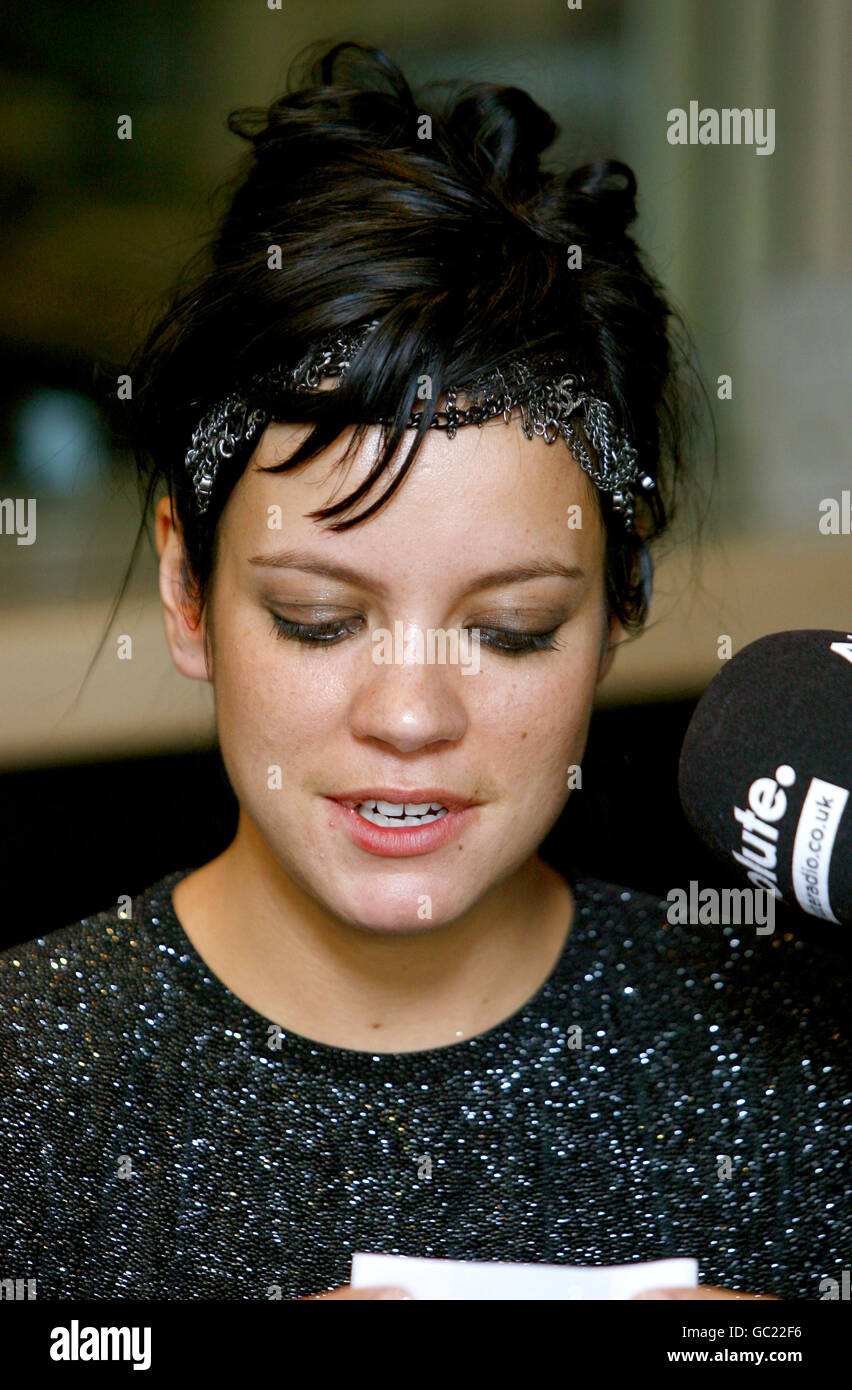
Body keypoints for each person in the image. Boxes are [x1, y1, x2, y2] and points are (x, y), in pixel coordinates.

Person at [0, 41, 846, 1303]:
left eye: (510, 631)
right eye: (317, 618)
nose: (409, 715)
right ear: (187, 589)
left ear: (621, 605)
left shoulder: (805, 1065)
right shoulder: (29, 1092)